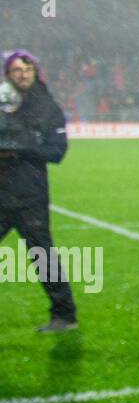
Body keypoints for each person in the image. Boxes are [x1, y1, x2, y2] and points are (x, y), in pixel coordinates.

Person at [0, 50, 76, 332]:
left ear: (35, 72)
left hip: (30, 198)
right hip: (1, 194)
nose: (23, 75)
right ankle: (65, 315)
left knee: (43, 256)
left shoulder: (48, 108)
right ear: (8, 74)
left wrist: (20, 150)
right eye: (17, 70)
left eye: (28, 70)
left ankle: (65, 315)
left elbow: (58, 152)